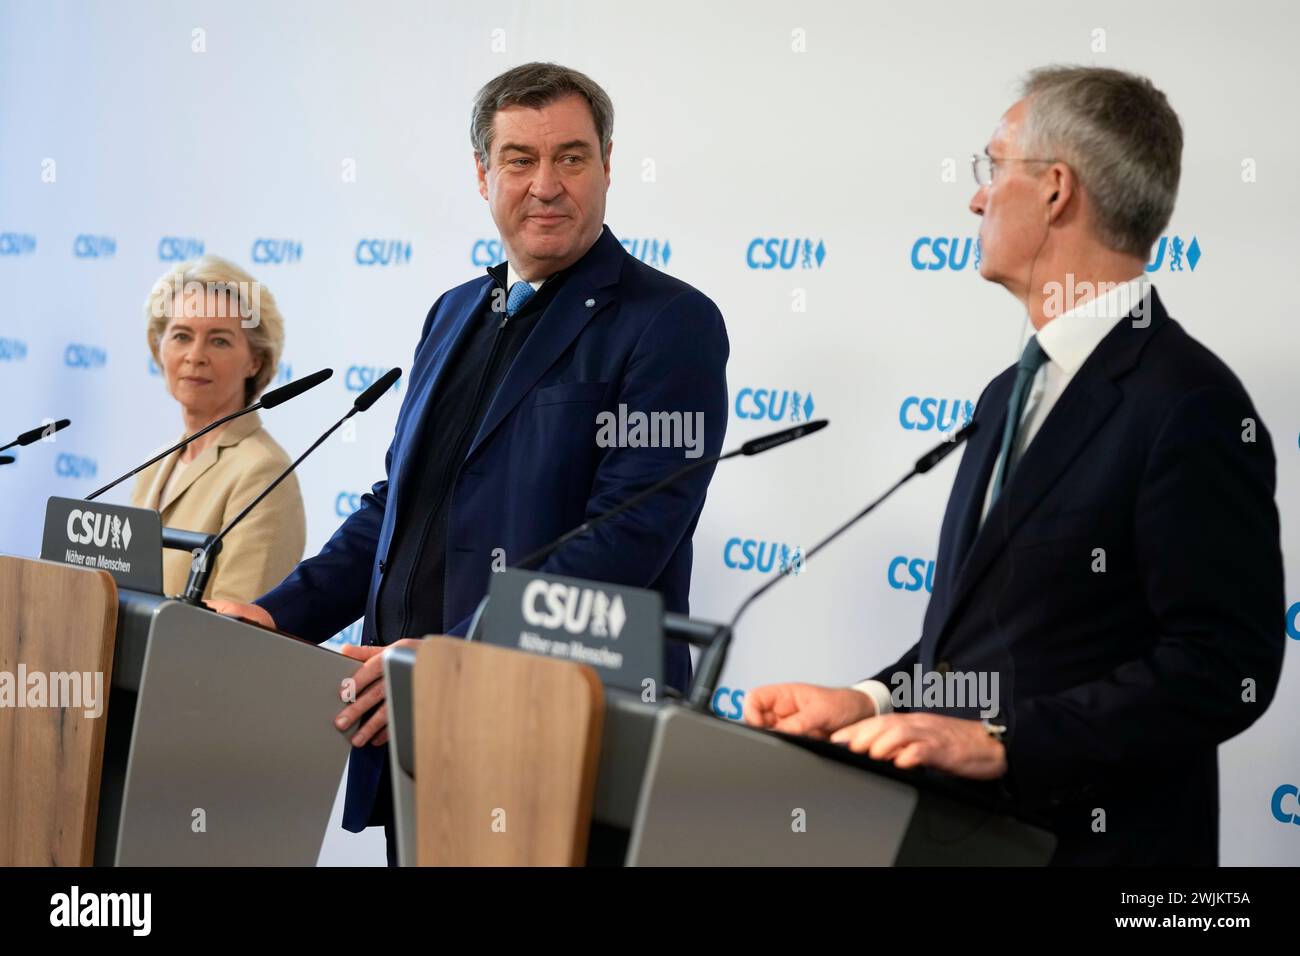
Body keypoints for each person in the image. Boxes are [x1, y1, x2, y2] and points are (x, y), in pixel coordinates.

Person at [744, 66, 1284, 865]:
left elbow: (1220, 667)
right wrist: (865, 701)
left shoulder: (1189, 403)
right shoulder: (1008, 393)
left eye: (994, 168)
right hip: (958, 840)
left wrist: (1005, 742)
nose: (974, 198)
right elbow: (989, 650)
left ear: (1057, 190)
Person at [209, 62, 730, 863]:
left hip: (566, 737)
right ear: (484, 175)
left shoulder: (671, 322)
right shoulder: (454, 312)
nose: (547, 185)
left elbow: (628, 539)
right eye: (520, 159)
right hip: (411, 724)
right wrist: (281, 616)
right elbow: (399, 510)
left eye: (572, 157)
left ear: (608, 166)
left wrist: (452, 653)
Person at [132, 255, 305, 602]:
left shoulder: (263, 472)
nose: (195, 355)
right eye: (181, 336)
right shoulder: (154, 465)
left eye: (219, 341)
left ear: (254, 360)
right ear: (159, 346)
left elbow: (235, 629)